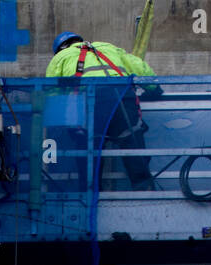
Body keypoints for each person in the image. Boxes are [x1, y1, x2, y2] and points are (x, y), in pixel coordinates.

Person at [46, 31, 159, 190]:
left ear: (60, 48)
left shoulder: (60, 58)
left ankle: (89, 194)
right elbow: (139, 66)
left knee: (88, 146)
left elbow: (53, 93)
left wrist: (61, 125)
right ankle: (144, 188)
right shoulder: (108, 48)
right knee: (131, 139)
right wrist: (154, 88)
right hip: (121, 98)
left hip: (90, 102)